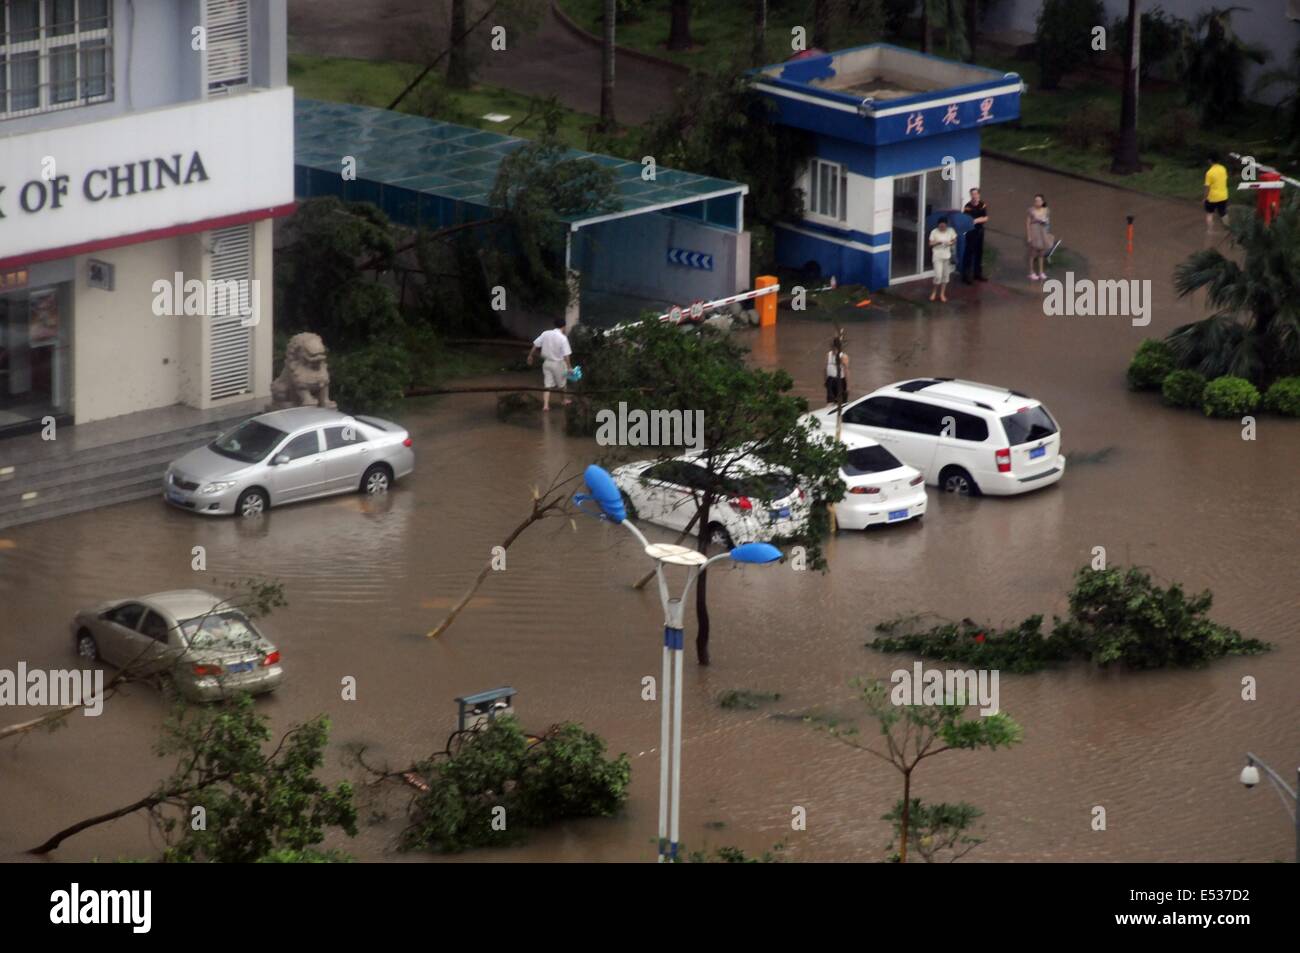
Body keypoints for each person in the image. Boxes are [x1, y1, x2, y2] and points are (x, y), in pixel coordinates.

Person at [526, 317, 572, 411]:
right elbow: (566, 355)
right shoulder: (563, 338)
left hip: (546, 363)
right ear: (564, 326)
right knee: (562, 384)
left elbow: (536, 344)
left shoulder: (545, 333)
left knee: (547, 384)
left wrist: (530, 355)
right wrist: (569, 368)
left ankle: (546, 405)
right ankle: (563, 400)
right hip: (558, 364)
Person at [960, 187, 989, 283]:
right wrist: (975, 220)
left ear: (979, 195)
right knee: (969, 253)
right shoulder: (968, 206)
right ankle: (966, 275)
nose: (974, 196)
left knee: (979, 253)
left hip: (980, 232)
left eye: (976, 194)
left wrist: (976, 220)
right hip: (970, 232)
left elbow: (985, 218)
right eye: (972, 194)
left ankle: (977, 274)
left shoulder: (982, 205)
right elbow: (966, 219)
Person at [1025, 194, 1053, 281]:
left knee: (1041, 253)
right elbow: (1027, 223)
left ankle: (1041, 272)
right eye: (1035, 200)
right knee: (1033, 253)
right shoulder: (1031, 211)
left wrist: (1047, 230)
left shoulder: (1046, 210)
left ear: (1042, 202)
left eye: (1039, 201)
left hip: (1043, 232)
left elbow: (1048, 222)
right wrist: (1029, 236)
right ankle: (1031, 272)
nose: (1037, 202)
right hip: (1034, 232)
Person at [928, 216, 956, 302]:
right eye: (941, 226)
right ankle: (934, 291)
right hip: (937, 256)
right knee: (938, 276)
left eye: (944, 226)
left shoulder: (950, 231)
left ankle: (942, 294)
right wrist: (937, 242)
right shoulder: (934, 232)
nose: (942, 227)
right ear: (938, 225)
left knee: (945, 276)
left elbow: (954, 240)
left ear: (946, 225)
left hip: (946, 256)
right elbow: (930, 244)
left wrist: (950, 243)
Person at [1204, 155, 1229, 230]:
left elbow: (1207, 187)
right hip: (1223, 196)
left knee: (1209, 214)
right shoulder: (1223, 169)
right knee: (1223, 213)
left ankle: (1209, 230)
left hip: (1212, 197)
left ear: (1210, 160)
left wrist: (1205, 198)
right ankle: (1229, 228)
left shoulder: (1209, 173)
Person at [825, 337, 849, 405]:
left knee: (830, 401)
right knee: (842, 403)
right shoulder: (844, 356)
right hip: (840, 381)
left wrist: (826, 381)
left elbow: (825, 369)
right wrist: (848, 386)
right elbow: (846, 371)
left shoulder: (828, 355)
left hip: (830, 380)